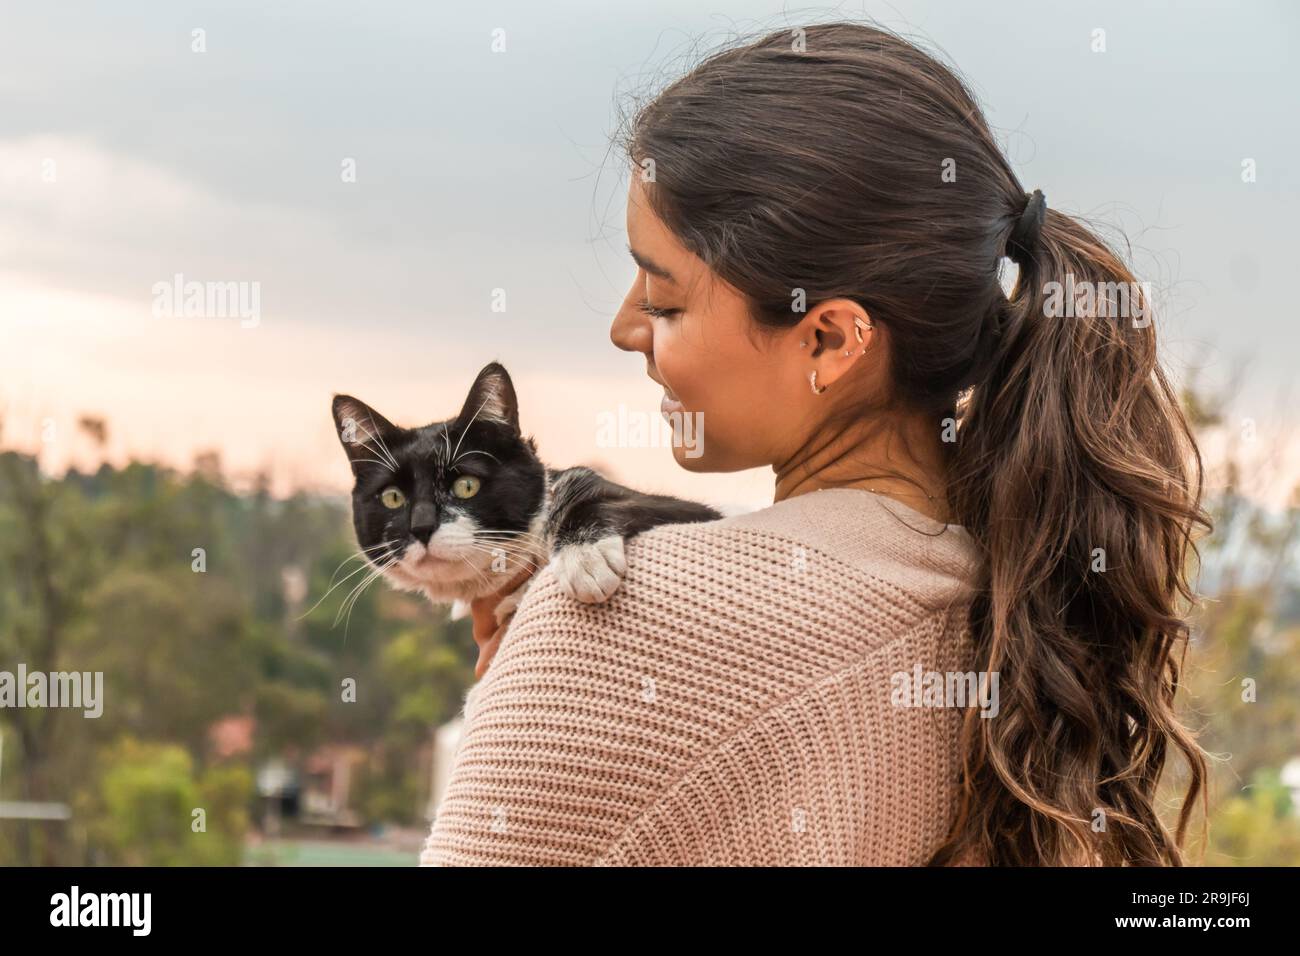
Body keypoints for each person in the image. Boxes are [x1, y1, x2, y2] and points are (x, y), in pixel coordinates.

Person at [421, 21, 1210, 867]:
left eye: (665, 298)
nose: (624, 328)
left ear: (831, 341)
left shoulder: (610, 621)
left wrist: (544, 693)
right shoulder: (1039, 630)